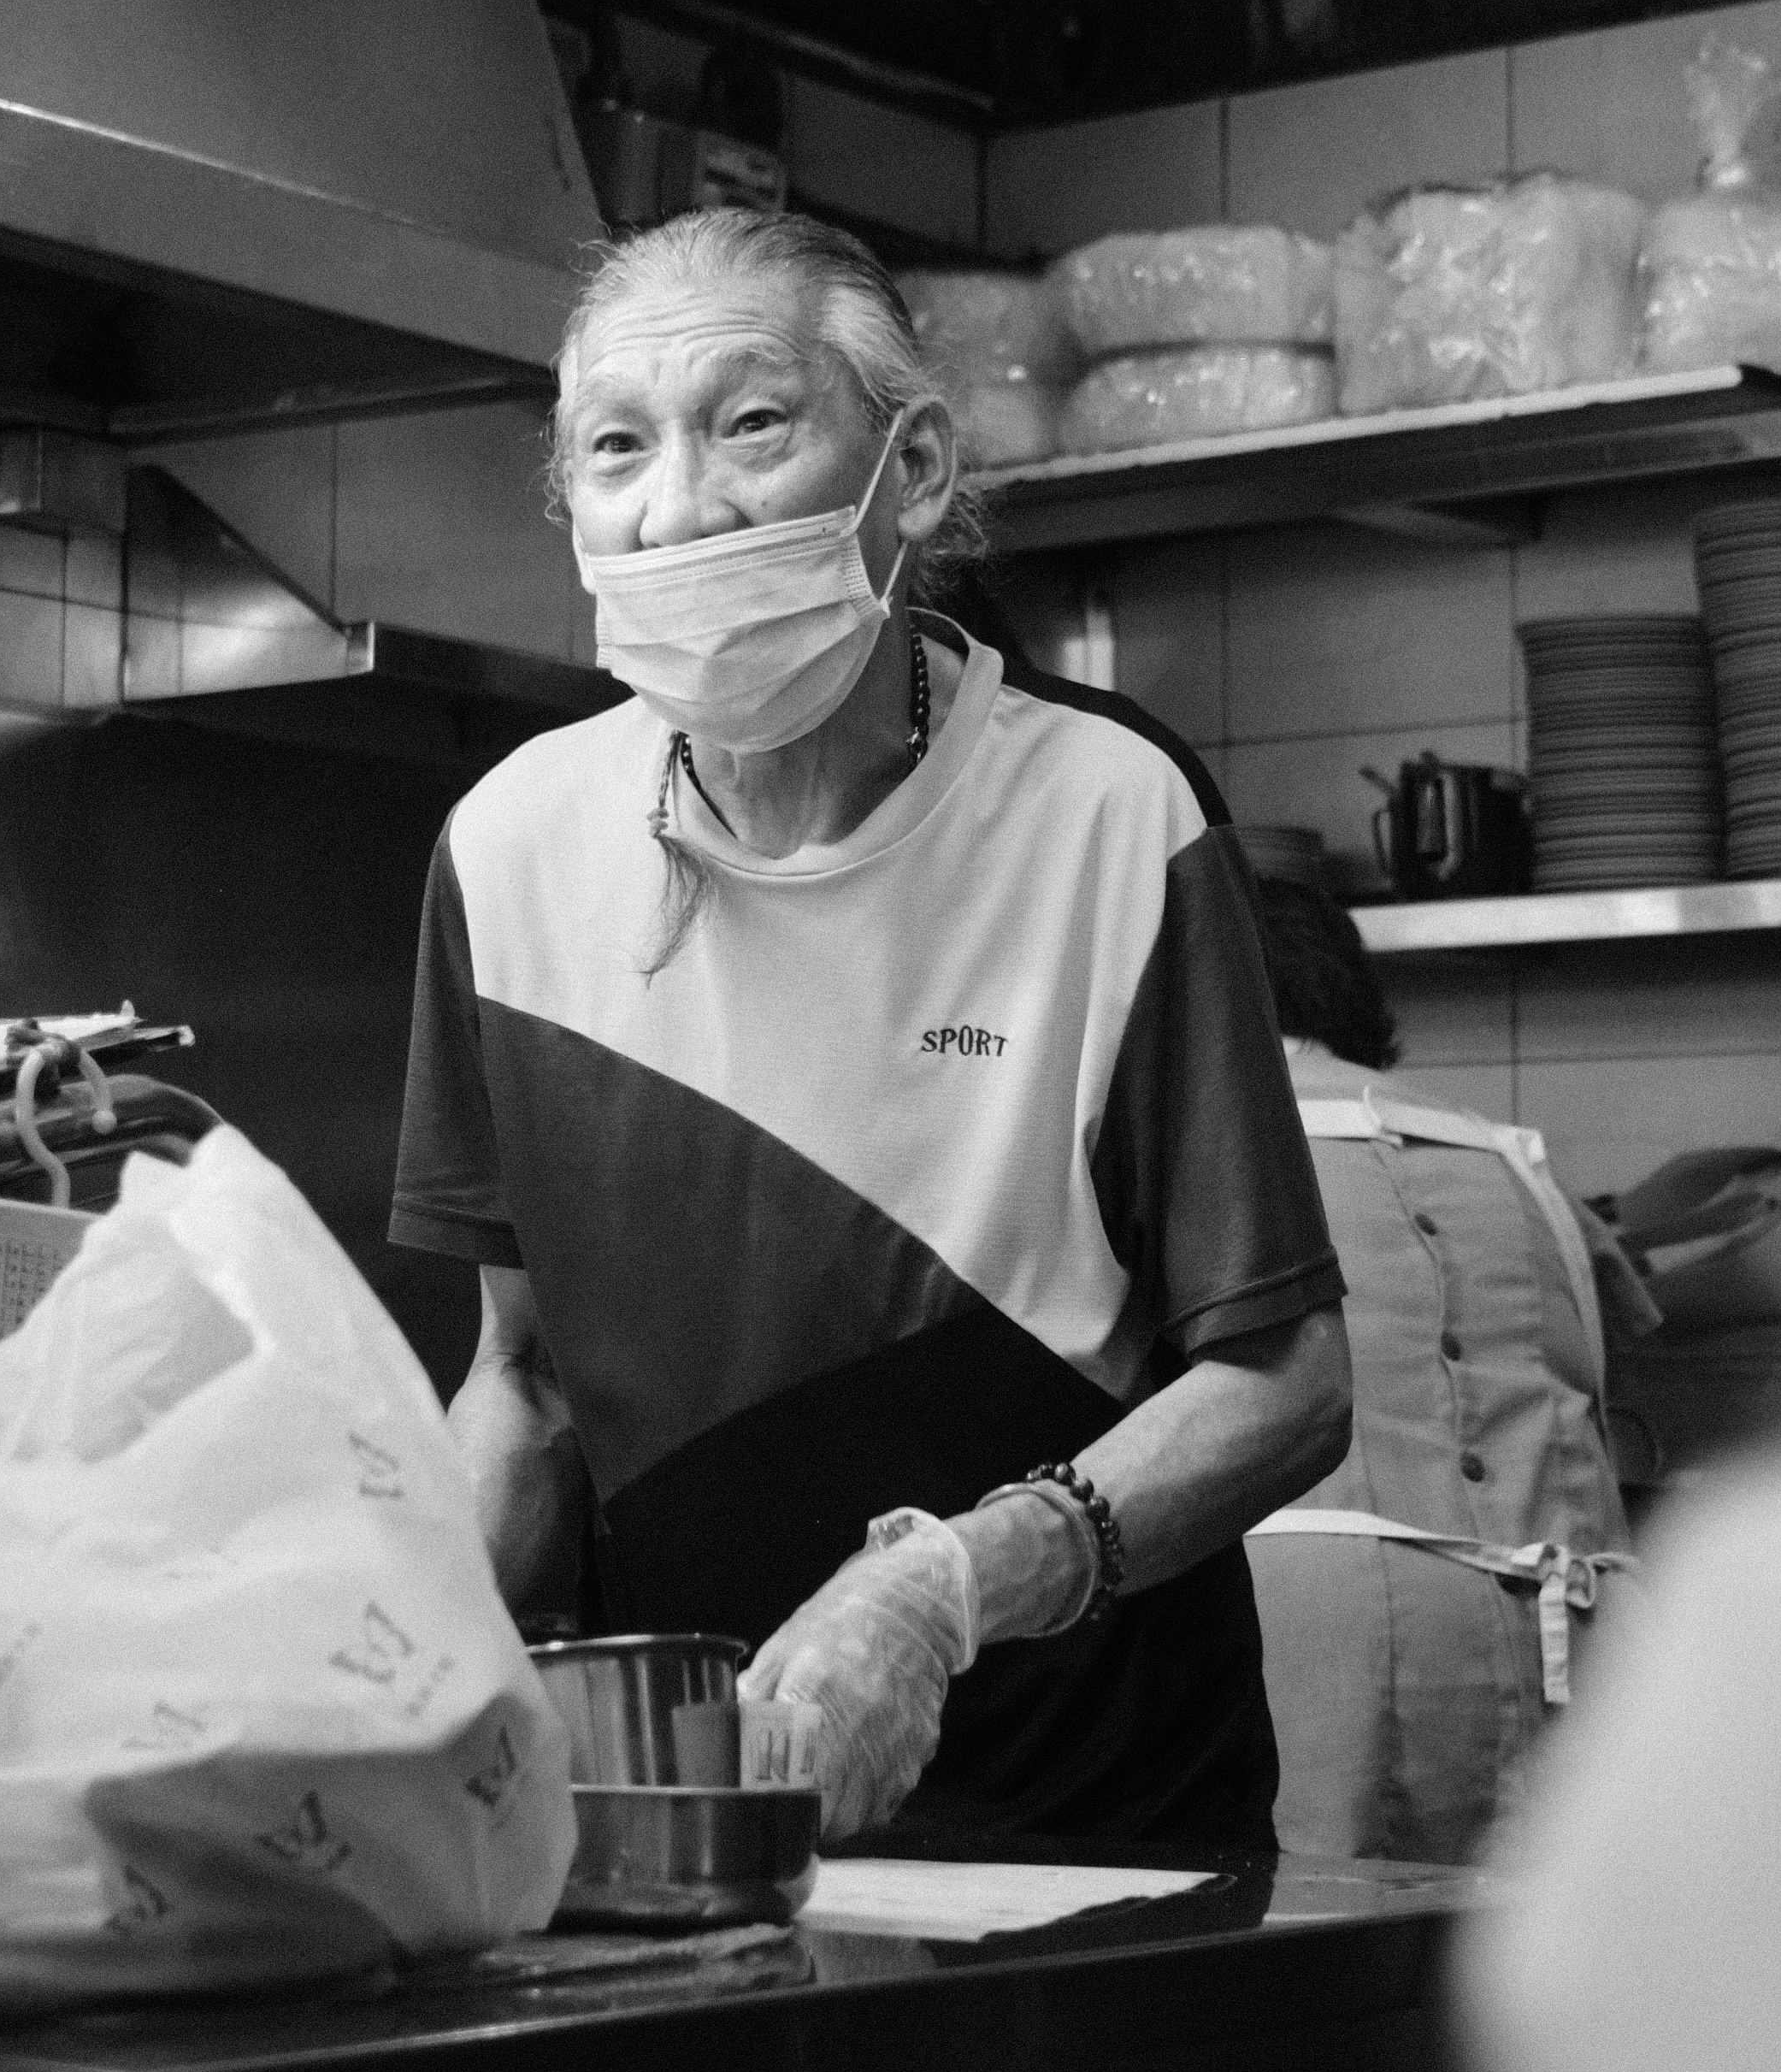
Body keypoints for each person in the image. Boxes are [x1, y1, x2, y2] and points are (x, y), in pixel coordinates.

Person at [391, 207, 1354, 1857]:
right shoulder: (508, 848)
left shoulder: (1109, 811)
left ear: (911, 467)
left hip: (1095, 1842)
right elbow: (525, 1382)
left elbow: (1288, 1381)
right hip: (699, 1837)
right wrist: (413, 1699)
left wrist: (944, 1586)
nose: (680, 504)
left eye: (752, 423)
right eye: (617, 445)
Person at [1237, 829, 1634, 1863]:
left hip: (1305, 1673)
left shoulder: (1215, 1150)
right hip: (1567, 1662)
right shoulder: (1509, 1157)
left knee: (1310, 1955)